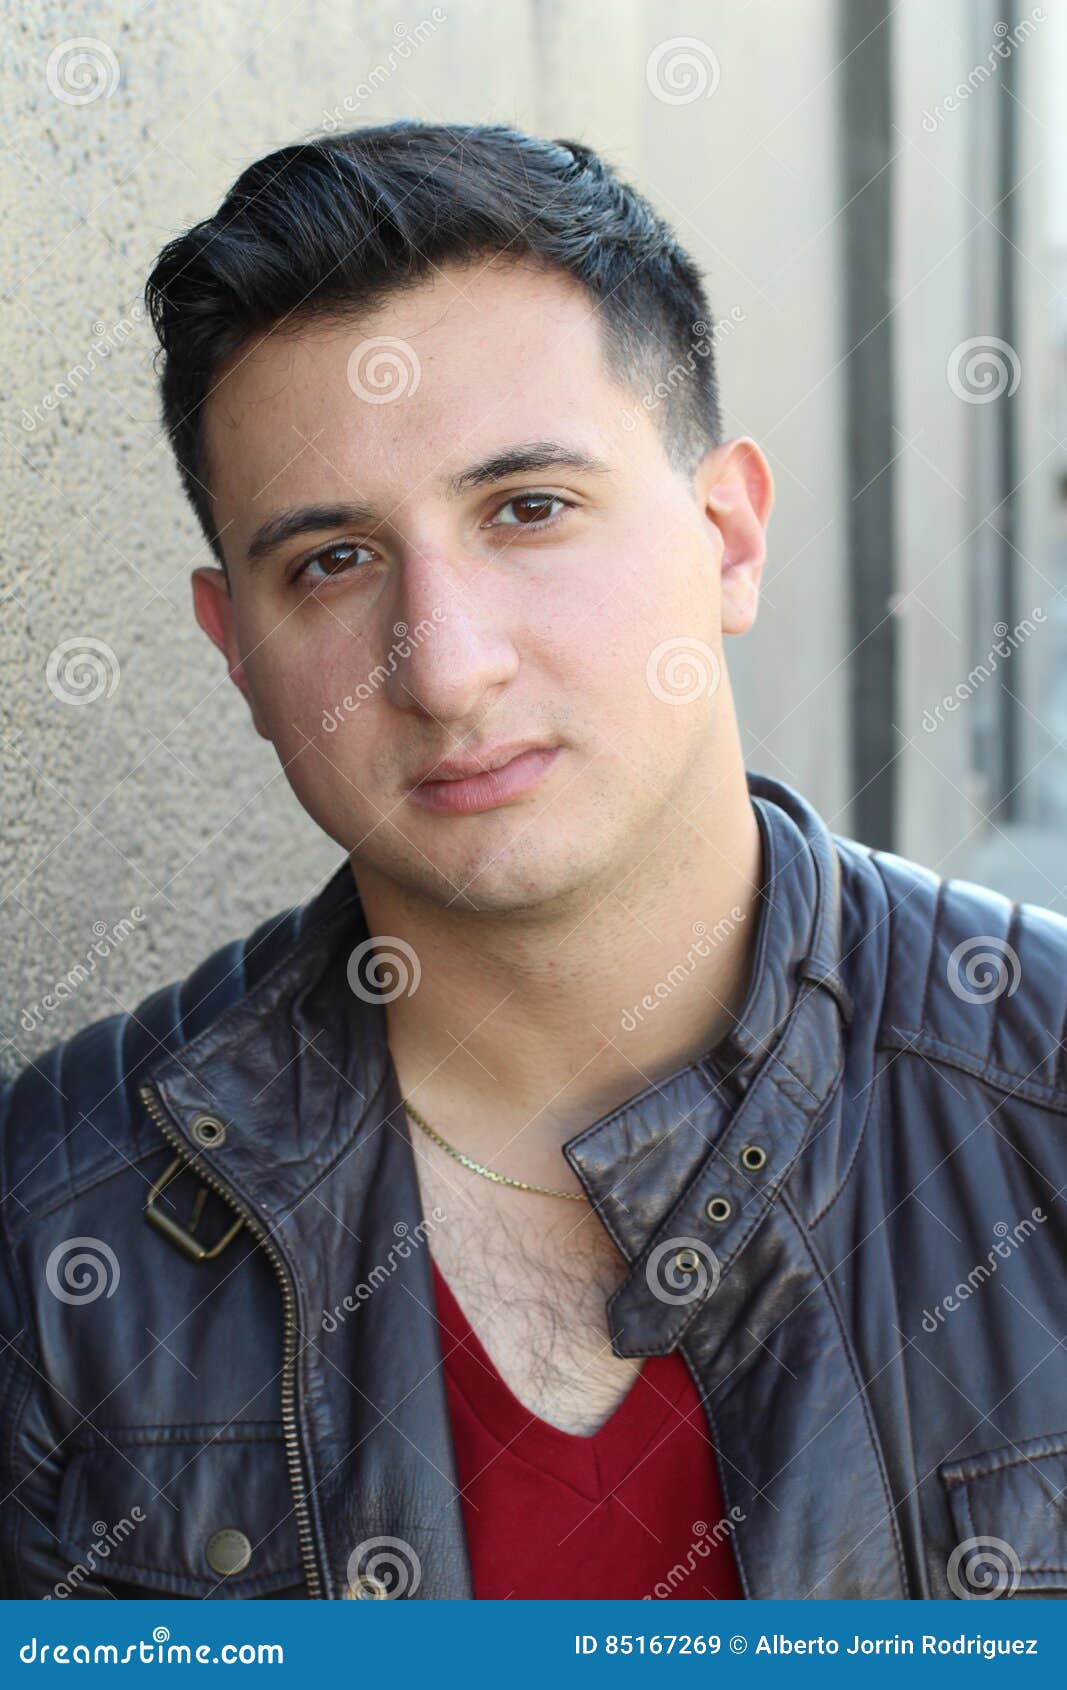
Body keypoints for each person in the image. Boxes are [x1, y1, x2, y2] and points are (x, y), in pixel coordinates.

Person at [2, 120, 1066, 1603]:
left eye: (529, 509)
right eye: (332, 561)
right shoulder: (59, 1217)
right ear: (234, 648)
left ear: (729, 538)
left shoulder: (1039, 1092)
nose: (444, 668)